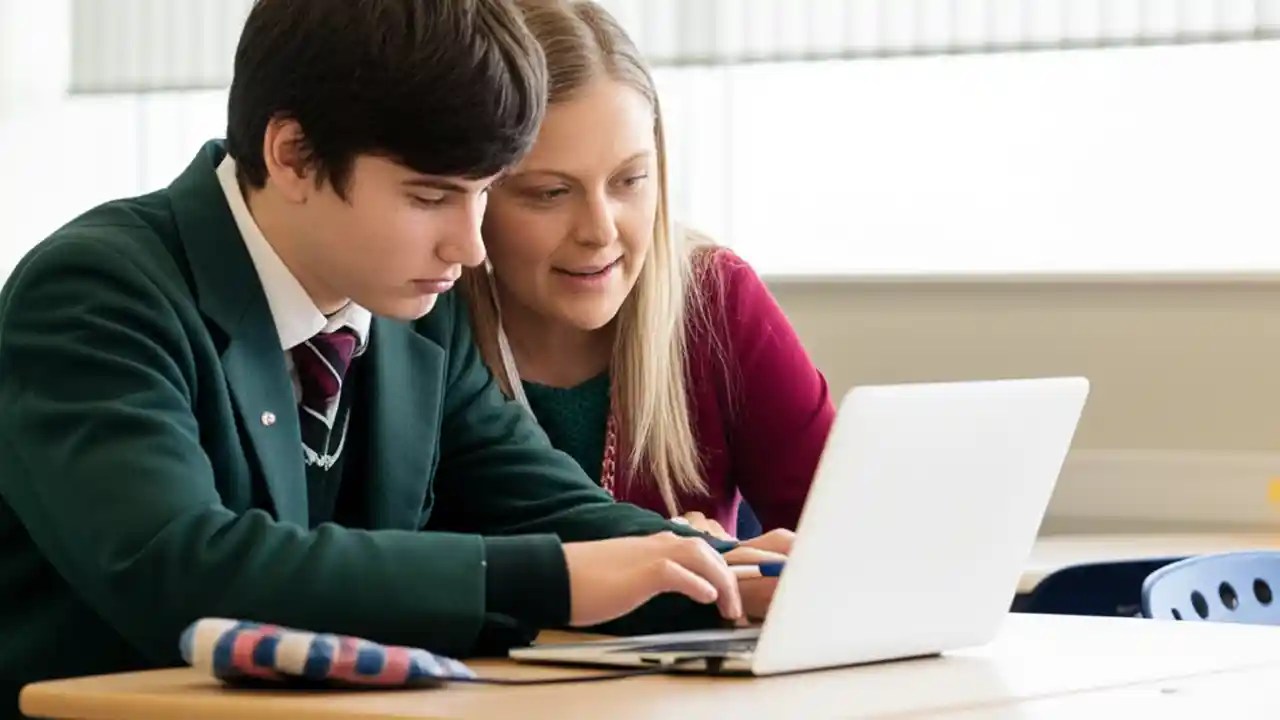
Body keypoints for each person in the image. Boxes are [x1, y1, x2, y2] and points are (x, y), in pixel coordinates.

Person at [0, 0, 789, 711]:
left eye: (484, 192)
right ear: (293, 155)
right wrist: (554, 580)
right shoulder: (97, 293)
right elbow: (185, 571)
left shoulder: (413, 309)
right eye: (430, 197)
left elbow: (542, 503)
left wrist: (722, 573)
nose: (470, 246)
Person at [461, 0, 836, 540]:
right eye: (551, 192)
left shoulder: (716, 299)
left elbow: (850, 536)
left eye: (629, 180)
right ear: (474, 192)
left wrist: (743, 569)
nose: (600, 230)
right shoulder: (420, 324)